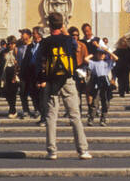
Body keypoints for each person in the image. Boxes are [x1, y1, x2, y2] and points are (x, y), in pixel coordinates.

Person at [35, 11, 91, 160]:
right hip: (67, 80)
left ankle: (52, 151)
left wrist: (40, 79)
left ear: (49, 24)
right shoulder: (68, 40)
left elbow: (37, 61)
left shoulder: (45, 42)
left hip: (51, 81)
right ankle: (82, 150)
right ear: (62, 24)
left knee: (51, 117)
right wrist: (66, 31)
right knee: (75, 116)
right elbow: (77, 48)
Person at [85, 40, 115, 125]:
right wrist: (93, 53)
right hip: (96, 81)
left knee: (105, 102)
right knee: (95, 101)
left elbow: (116, 58)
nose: (101, 55)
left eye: (102, 54)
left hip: (105, 81)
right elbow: (86, 59)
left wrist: (107, 51)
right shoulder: (94, 63)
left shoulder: (107, 63)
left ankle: (103, 119)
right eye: (99, 54)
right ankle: (91, 119)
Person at [23, 26, 46, 123]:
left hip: (41, 73)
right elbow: (26, 59)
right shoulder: (30, 46)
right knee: (33, 93)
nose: (33, 34)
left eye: (34, 33)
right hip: (31, 73)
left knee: (41, 95)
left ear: (39, 34)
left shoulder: (44, 45)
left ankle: (43, 113)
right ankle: (37, 109)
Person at [14, 29, 34, 118]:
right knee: (23, 92)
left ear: (29, 36)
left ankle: (37, 109)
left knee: (33, 92)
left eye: (23, 34)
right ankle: (26, 110)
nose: (21, 36)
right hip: (22, 73)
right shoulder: (19, 48)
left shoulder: (34, 46)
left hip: (32, 73)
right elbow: (17, 61)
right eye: (21, 35)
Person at [0, 36, 21, 116]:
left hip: (15, 73)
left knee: (13, 92)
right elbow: (0, 61)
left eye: (12, 43)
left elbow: (19, 62)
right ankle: (11, 107)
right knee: (6, 92)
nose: (10, 45)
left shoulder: (17, 51)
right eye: (9, 43)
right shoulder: (4, 52)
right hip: (6, 73)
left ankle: (12, 109)